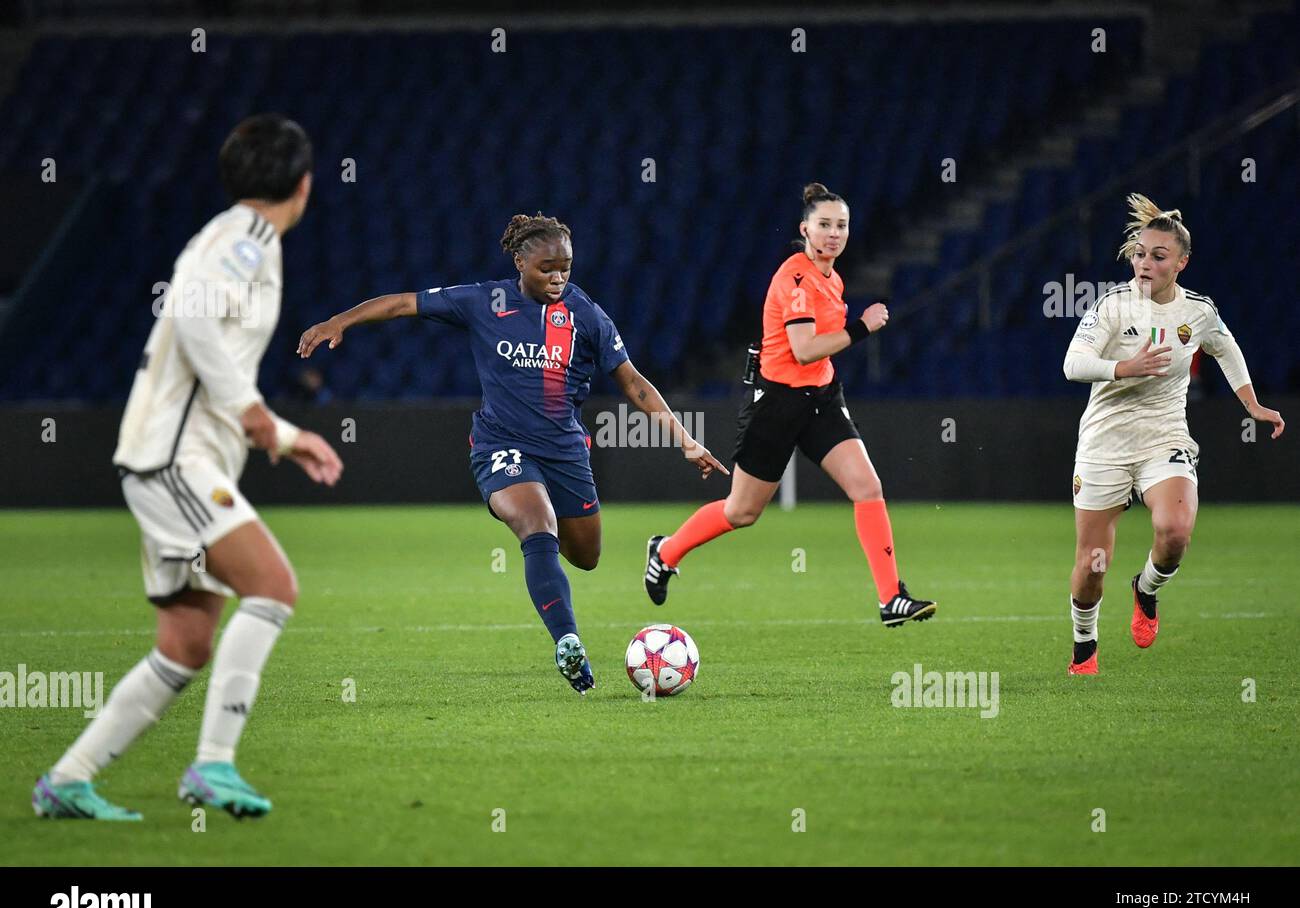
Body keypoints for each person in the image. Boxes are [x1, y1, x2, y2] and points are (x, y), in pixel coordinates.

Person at [33, 114, 343, 821]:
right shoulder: (246, 239)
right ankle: (213, 765)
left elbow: (209, 339)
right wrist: (259, 416)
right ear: (303, 184)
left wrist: (286, 435)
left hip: (174, 455)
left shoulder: (232, 236)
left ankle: (67, 780)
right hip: (176, 457)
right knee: (272, 586)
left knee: (186, 642)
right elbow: (196, 317)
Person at [298, 212, 726, 694]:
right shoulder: (485, 300)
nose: (558, 277)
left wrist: (684, 439)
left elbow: (632, 382)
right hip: (500, 444)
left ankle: (558, 572)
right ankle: (568, 641)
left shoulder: (586, 315)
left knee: (586, 556)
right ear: (520, 262)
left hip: (565, 450)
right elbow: (401, 304)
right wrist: (341, 321)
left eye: (566, 266)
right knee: (537, 525)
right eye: (547, 267)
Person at [643, 183, 936, 627]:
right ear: (805, 229)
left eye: (841, 225)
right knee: (741, 511)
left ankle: (890, 597)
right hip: (776, 404)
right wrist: (862, 327)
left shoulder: (831, 278)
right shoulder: (796, 277)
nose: (834, 233)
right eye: (824, 225)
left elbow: (814, 359)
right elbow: (802, 349)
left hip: (820, 398)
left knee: (867, 487)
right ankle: (665, 552)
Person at [1063, 193, 1284, 675]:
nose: (1145, 263)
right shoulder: (1112, 306)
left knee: (1175, 532)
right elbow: (1072, 364)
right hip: (1105, 442)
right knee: (1093, 564)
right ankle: (1084, 642)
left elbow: (1226, 349)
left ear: (1181, 262)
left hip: (1165, 436)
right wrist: (1125, 366)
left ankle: (1145, 589)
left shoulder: (1198, 311)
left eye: (1158, 256)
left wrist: (1252, 405)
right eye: (1140, 253)